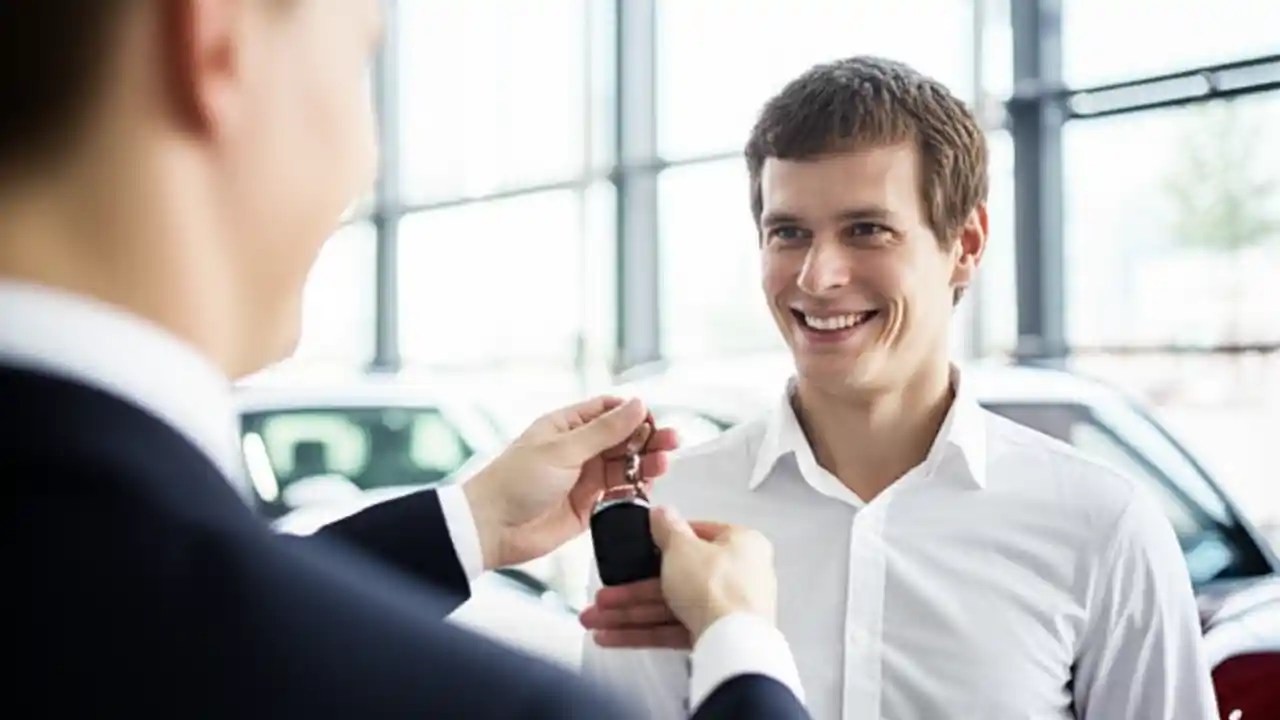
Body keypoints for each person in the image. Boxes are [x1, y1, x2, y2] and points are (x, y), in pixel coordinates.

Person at [2, 1, 808, 717]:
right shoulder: (490, 701)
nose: (367, 164)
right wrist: (743, 647)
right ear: (218, 43)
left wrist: (480, 517)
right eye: (359, 60)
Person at [580, 56, 1218, 719]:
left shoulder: (1103, 528)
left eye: (866, 230)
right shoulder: (672, 516)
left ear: (965, 242)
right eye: (789, 233)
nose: (818, 276)